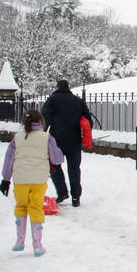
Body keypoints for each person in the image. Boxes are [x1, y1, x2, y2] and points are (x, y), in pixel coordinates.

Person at [0, 108, 63, 257]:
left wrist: (5, 179)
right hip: (38, 179)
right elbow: (57, 159)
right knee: (35, 207)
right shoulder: (46, 137)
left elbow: (9, 160)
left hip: (20, 179)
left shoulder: (17, 138)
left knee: (21, 206)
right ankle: (37, 245)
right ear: (41, 122)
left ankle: (20, 241)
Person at [42, 79, 94, 207]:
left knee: (54, 165)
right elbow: (88, 121)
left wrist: (41, 134)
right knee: (74, 169)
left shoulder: (52, 100)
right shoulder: (78, 101)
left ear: (57, 87)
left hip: (56, 141)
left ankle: (62, 192)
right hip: (74, 140)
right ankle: (76, 197)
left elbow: (44, 119)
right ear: (69, 87)